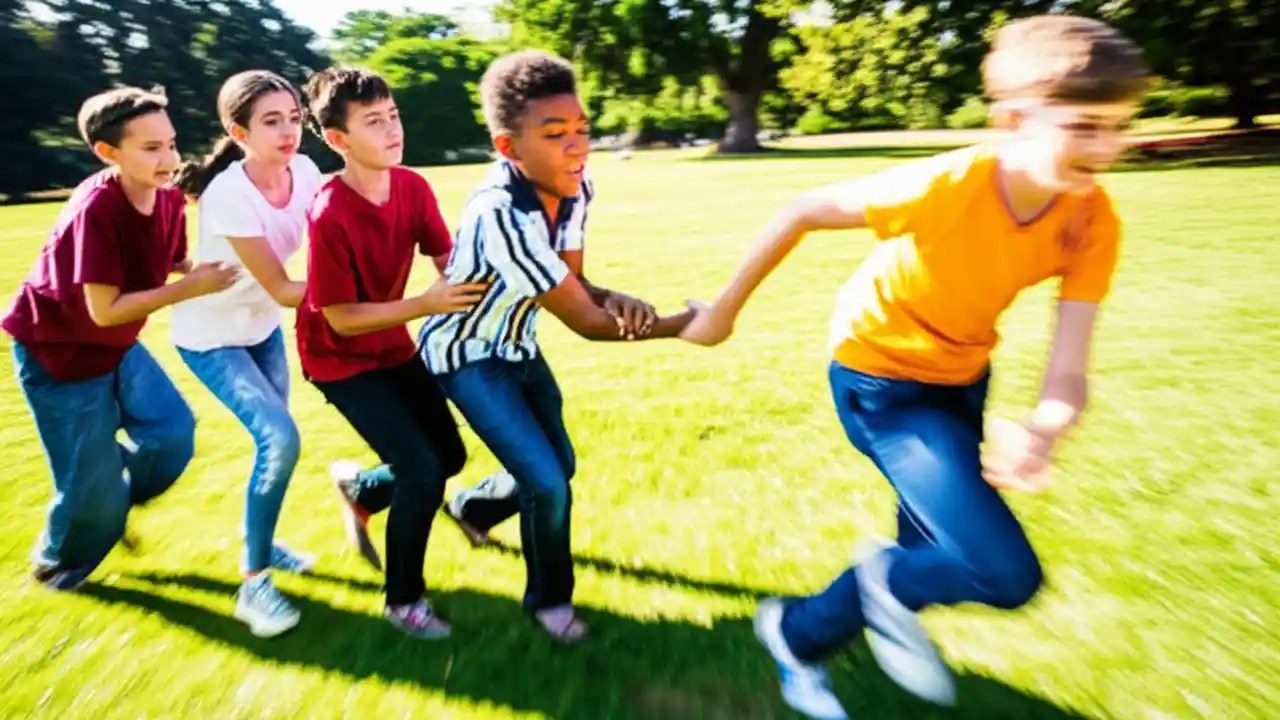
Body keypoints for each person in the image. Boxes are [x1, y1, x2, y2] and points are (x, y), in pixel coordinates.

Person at [680, 15, 1149, 719]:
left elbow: (1069, 367)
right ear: (1016, 119)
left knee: (928, 557)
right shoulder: (951, 184)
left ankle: (858, 605)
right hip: (881, 382)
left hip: (962, 378)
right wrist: (721, 313)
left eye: (1120, 126)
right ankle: (797, 633)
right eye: (1085, 125)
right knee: (1001, 572)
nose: (1108, 148)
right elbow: (803, 211)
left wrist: (1045, 429)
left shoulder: (1093, 220)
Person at [420, 50, 696, 643]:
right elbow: (585, 322)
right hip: (467, 355)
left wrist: (618, 295)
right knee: (547, 482)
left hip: (517, 343)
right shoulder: (500, 214)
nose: (577, 146)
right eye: (554, 135)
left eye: (581, 130)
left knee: (556, 467)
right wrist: (685, 323)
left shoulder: (575, 187)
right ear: (508, 147)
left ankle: (472, 508)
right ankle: (549, 603)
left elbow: (577, 285)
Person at [3, 86, 237, 591]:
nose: (170, 158)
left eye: (171, 144)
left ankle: (107, 498)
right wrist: (189, 289)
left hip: (116, 345)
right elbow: (104, 310)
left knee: (173, 435)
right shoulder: (98, 208)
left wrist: (221, 273)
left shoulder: (169, 197)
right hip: (58, 351)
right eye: (152, 149)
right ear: (108, 152)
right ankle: (55, 561)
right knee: (89, 488)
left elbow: (172, 262)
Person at [298, 65, 487, 638]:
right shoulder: (329, 212)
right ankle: (403, 601)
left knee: (450, 458)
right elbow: (341, 317)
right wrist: (427, 305)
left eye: (393, 115)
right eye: (373, 121)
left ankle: (360, 490)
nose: (391, 129)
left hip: (391, 344)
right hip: (338, 357)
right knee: (423, 473)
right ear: (338, 140)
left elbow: (445, 259)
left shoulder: (411, 186)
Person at [171, 70, 325, 637]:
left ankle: (262, 541)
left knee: (274, 447)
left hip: (261, 330)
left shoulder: (305, 171)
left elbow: (334, 230)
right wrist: (373, 294)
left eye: (294, 118)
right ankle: (253, 583)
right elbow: (287, 289)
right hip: (211, 338)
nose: (289, 131)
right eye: (271, 121)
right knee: (280, 440)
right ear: (238, 131)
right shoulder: (228, 194)